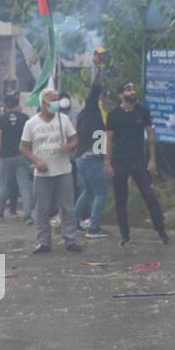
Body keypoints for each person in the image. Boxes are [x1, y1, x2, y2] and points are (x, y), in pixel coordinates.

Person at [105, 81, 170, 246]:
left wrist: (152, 159)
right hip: (119, 161)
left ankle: (162, 232)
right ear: (121, 95)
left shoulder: (143, 112)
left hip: (138, 161)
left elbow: (150, 136)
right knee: (121, 199)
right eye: (128, 89)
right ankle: (125, 236)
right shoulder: (113, 115)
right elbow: (109, 140)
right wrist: (107, 163)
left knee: (149, 195)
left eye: (133, 89)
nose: (132, 92)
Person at [23, 88, 81, 253]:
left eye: (57, 99)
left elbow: (75, 139)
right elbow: (24, 147)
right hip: (42, 173)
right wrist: (36, 161)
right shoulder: (31, 123)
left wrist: (68, 146)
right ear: (43, 103)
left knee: (67, 207)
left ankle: (70, 239)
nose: (56, 102)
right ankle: (43, 242)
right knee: (42, 208)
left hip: (63, 170)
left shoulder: (64, 119)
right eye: (52, 99)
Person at [73, 53, 110, 239]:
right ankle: (93, 228)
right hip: (90, 158)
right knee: (101, 193)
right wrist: (97, 68)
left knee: (88, 191)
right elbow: (95, 87)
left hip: (83, 158)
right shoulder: (91, 109)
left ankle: (72, 223)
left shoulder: (83, 116)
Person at [0, 91, 30, 220]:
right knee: (24, 186)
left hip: (5, 157)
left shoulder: (1, 119)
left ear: (6, 105)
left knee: (3, 186)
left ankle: (0, 212)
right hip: (22, 156)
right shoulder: (25, 117)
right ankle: (28, 215)